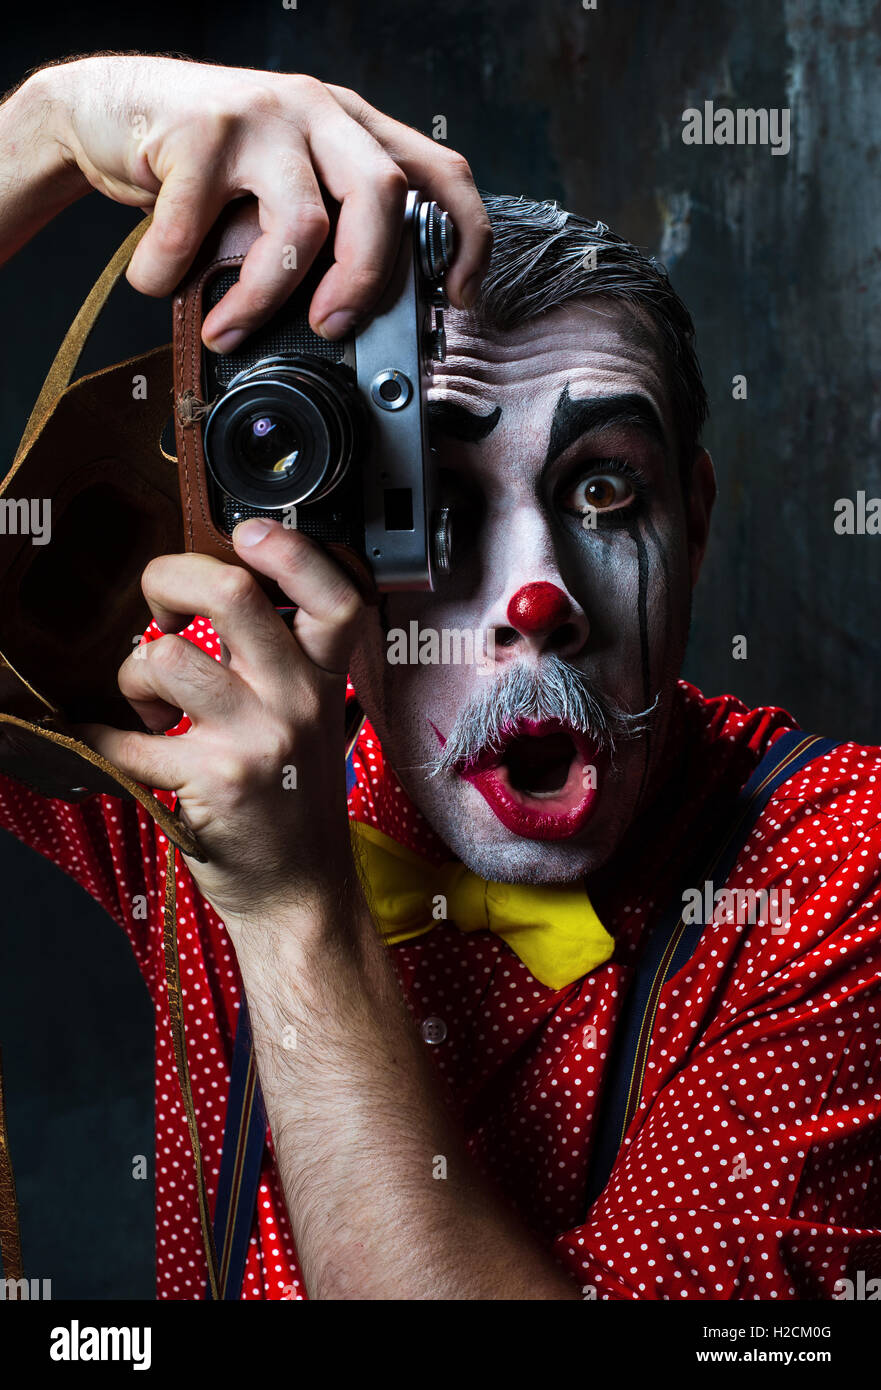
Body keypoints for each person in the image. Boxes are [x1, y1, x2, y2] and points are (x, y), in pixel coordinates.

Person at [1, 53, 879, 1302]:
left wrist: (294, 913)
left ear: (690, 521)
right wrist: (43, 130)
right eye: (439, 508)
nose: (541, 605)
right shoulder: (213, 729)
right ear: (329, 534)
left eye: (601, 489)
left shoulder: (835, 876)